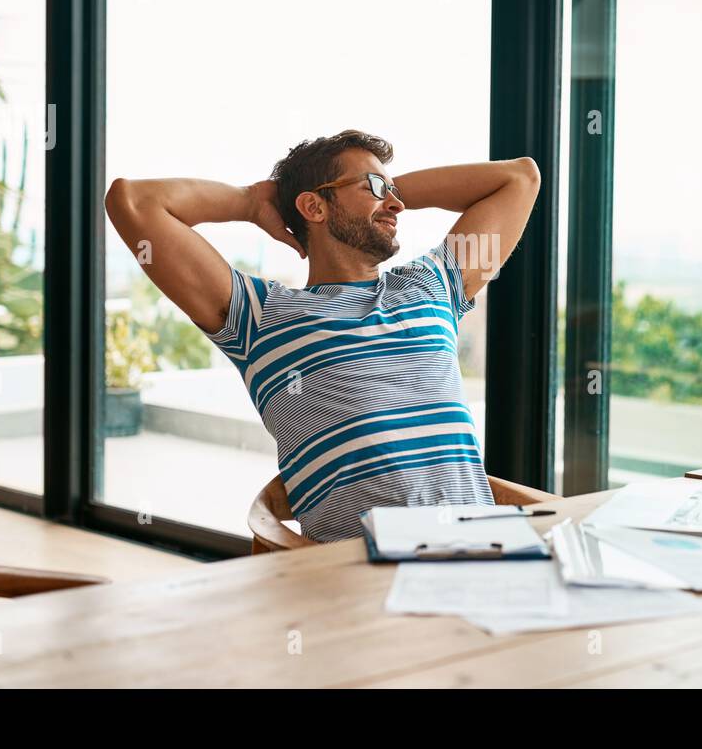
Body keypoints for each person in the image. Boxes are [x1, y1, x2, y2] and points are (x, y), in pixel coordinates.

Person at [105, 129, 541, 541]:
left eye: (392, 192)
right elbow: (133, 200)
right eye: (375, 186)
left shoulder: (432, 286)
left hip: (482, 551)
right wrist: (253, 201)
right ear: (314, 207)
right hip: (359, 570)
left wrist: (384, 192)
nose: (396, 205)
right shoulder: (259, 316)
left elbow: (520, 178)